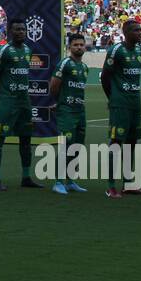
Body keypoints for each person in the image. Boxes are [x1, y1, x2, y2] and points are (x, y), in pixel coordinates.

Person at [0, 17, 39, 190]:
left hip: (24, 101)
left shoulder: (27, 50)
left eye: (23, 30)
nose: (21, 32)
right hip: (8, 101)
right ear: (11, 31)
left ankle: (26, 177)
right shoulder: (4, 51)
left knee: (26, 139)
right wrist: (1, 96)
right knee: (0, 138)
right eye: (17, 29)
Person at [100, 19, 141, 198]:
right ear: (126, 33)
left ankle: (129, 184)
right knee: (116, 142)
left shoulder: (139, 51)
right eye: (135, 30)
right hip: (120, 103)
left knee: (132, 142)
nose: (139, 33)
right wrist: (112, 98)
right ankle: (110, 186)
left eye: (140, 30)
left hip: (135, 102)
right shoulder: (116, 51)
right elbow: (105, 77)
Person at [49, 32, 89, 194]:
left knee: (77, 147)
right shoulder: (65, 63)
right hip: (67, 111)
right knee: (67, 145)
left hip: (80, 111)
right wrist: (60, 102)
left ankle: (70, 181)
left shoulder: (84, 67)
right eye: (75, 45)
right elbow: (54, 85)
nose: (79, 47)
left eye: (81, 45)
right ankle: (58, 182)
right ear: (69, 47)